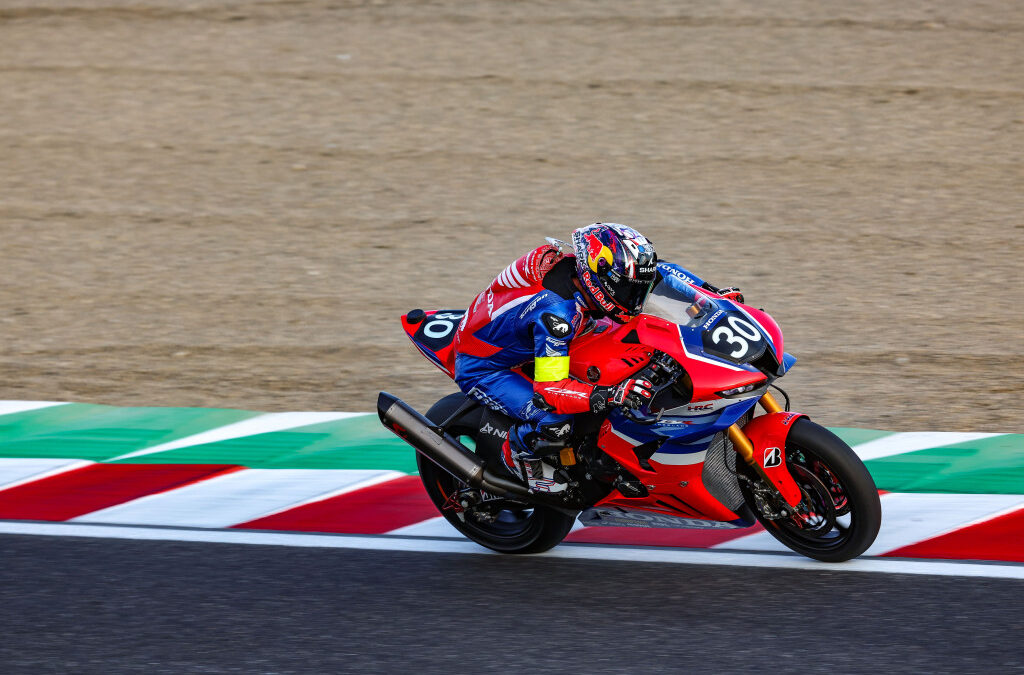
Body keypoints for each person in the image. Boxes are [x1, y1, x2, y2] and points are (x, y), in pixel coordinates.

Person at [452, 223, 743, 492]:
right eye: (629, 289)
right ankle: (516, 455)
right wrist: (610, 395)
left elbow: (662, 273)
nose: (636, 296)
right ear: (597, 277)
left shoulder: (590, 273)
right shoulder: (557, 316)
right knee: (557, 417)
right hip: (488, 367)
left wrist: (711, 296)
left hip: (534, 331)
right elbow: (551, 390)